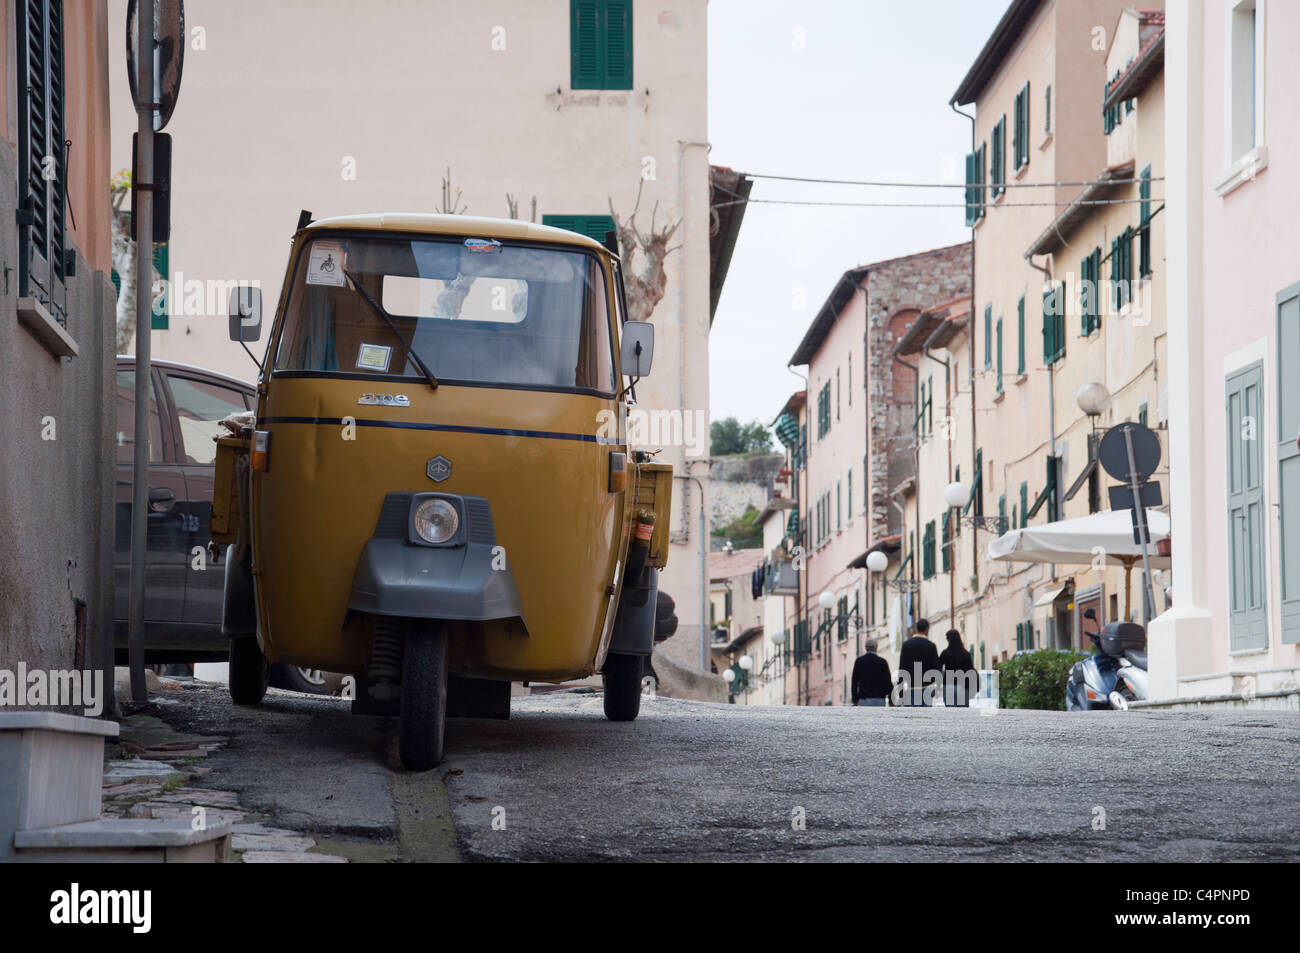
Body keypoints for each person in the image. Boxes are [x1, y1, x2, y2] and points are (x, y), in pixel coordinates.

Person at [898, 618, 940, 706]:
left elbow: (902, 668)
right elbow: (936, 668)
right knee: (926, 717)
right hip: (926, 689)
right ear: (927, 629)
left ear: (917, 629)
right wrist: (937, 687)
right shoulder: (931, 646)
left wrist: (900, 689)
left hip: (911, 688)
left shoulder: (906, 645)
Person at [939, 629, 980, 707]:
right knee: (963, 713)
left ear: (948, 640)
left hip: (948, 685)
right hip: (963, 686)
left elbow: (938, 668)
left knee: (950, 713)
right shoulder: (965, 654)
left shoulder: (945, 653)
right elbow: (970, 670)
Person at [850, 639, 893, 707]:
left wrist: (855, 700)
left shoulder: (859, 662)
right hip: (880, 700)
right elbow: (888, 682)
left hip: (864, 700)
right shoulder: (882, 662)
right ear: (876, 647)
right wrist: (891, 700)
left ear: (866, 648)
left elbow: (854, 682)